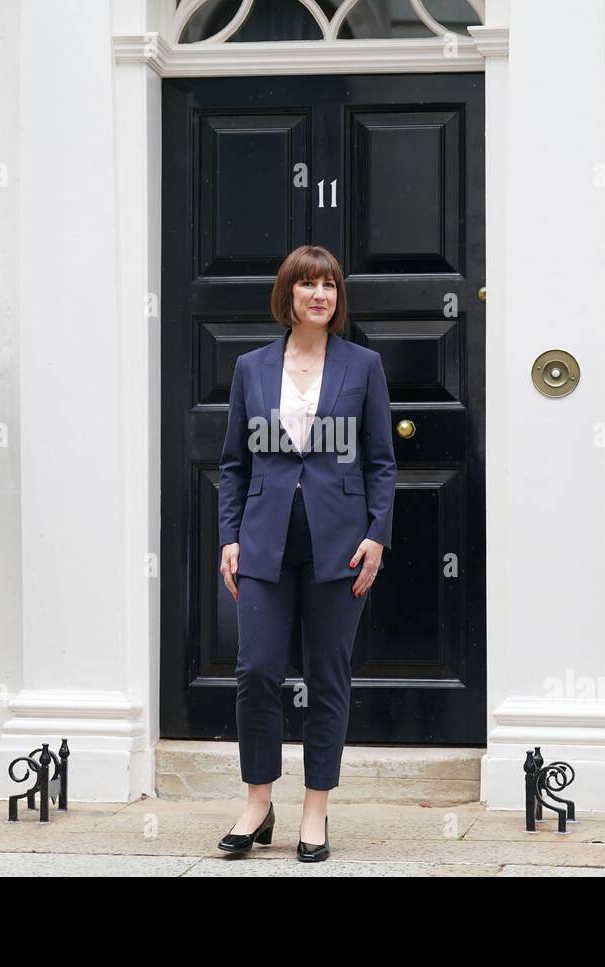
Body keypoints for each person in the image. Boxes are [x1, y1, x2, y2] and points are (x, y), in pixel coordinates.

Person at [215, 244, 396, 862]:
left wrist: (377, 534)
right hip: (265, 540)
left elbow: (380, 460)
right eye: (307, 285)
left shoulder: (363, 365)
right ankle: (258, 802)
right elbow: (235, 464)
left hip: (340, 544)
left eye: (329, 286)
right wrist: (230, 536)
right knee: (257, 670)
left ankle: (315, 810)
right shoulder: (251, 368)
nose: (320, 295)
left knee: (327, 675)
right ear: (287, 295)